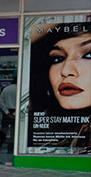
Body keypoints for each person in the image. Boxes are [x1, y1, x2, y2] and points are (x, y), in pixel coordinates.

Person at [28, 22, 91, 152]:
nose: (66, 71)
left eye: (88, 55)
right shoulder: (44, 127)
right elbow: (24, 38)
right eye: (57, 59)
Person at [0, 77, 17, 153]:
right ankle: (10, 148)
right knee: (14, 132)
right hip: (15, 111)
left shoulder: (6, 89)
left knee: (3, 130)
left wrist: (7, 112)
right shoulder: (20, 89)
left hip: (6, 111)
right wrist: (15, 113)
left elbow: (1, 101)